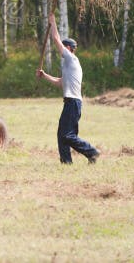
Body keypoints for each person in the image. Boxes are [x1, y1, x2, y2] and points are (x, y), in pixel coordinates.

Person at [36, 13, 100, 164]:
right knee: (62, 134)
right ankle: (66, 162)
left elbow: (56, 40)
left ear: (69, 48)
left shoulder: (72, 59)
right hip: (70, 102)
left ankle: (92, 151)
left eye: (64, 47)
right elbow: (60, 82)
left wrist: (53, 23)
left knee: (67, 135)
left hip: (73, 102)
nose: (61, 50)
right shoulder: (67, 65)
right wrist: (44, 75)